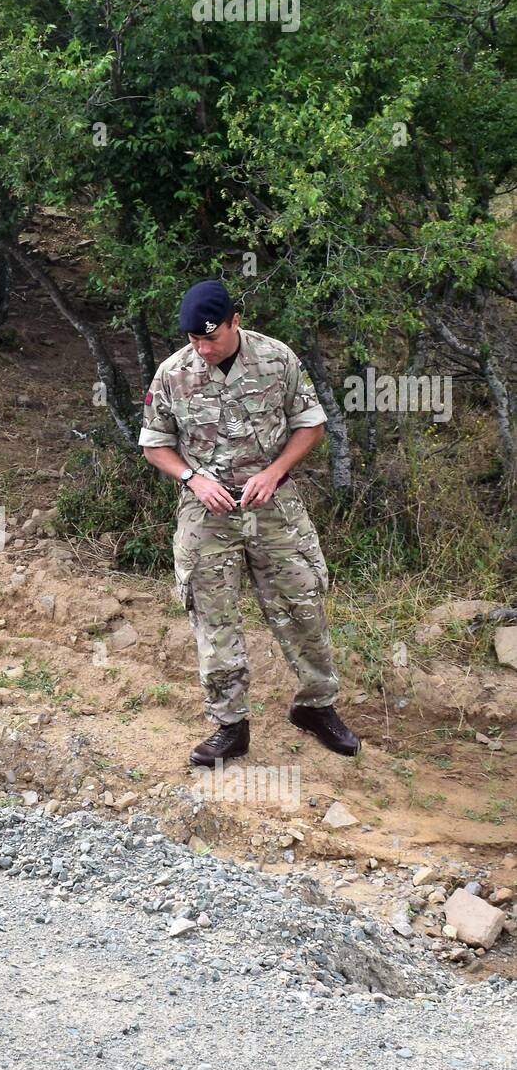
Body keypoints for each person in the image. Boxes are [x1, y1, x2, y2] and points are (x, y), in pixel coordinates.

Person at [139, 279, 361, 767]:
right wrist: (193, 478)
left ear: (235, 322)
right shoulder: (173, 373)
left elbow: (312, 424)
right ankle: (230, 726)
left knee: (303, 603)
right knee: (213, 618)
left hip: (275, 504)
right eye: (194, 339)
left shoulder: (277, 359)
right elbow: (155, 443)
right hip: (208, 511)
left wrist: (275, 470)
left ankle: (317, 708)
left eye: (210, 337)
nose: (202, 348)